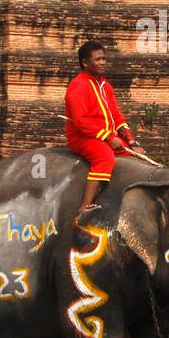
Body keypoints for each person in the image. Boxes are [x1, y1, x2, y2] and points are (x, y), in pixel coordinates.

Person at [65, 42, 142, 220]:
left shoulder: (105, 86)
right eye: (97, 59)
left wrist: (132, 142)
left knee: (131, 158)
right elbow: (80, 121)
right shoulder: (78, 86)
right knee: (104, 157)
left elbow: (117, 116)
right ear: (85, 63)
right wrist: (107, 137)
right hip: (83, 137)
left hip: (107, 136)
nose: (102, 62)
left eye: (103, 58)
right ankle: (85, 206)